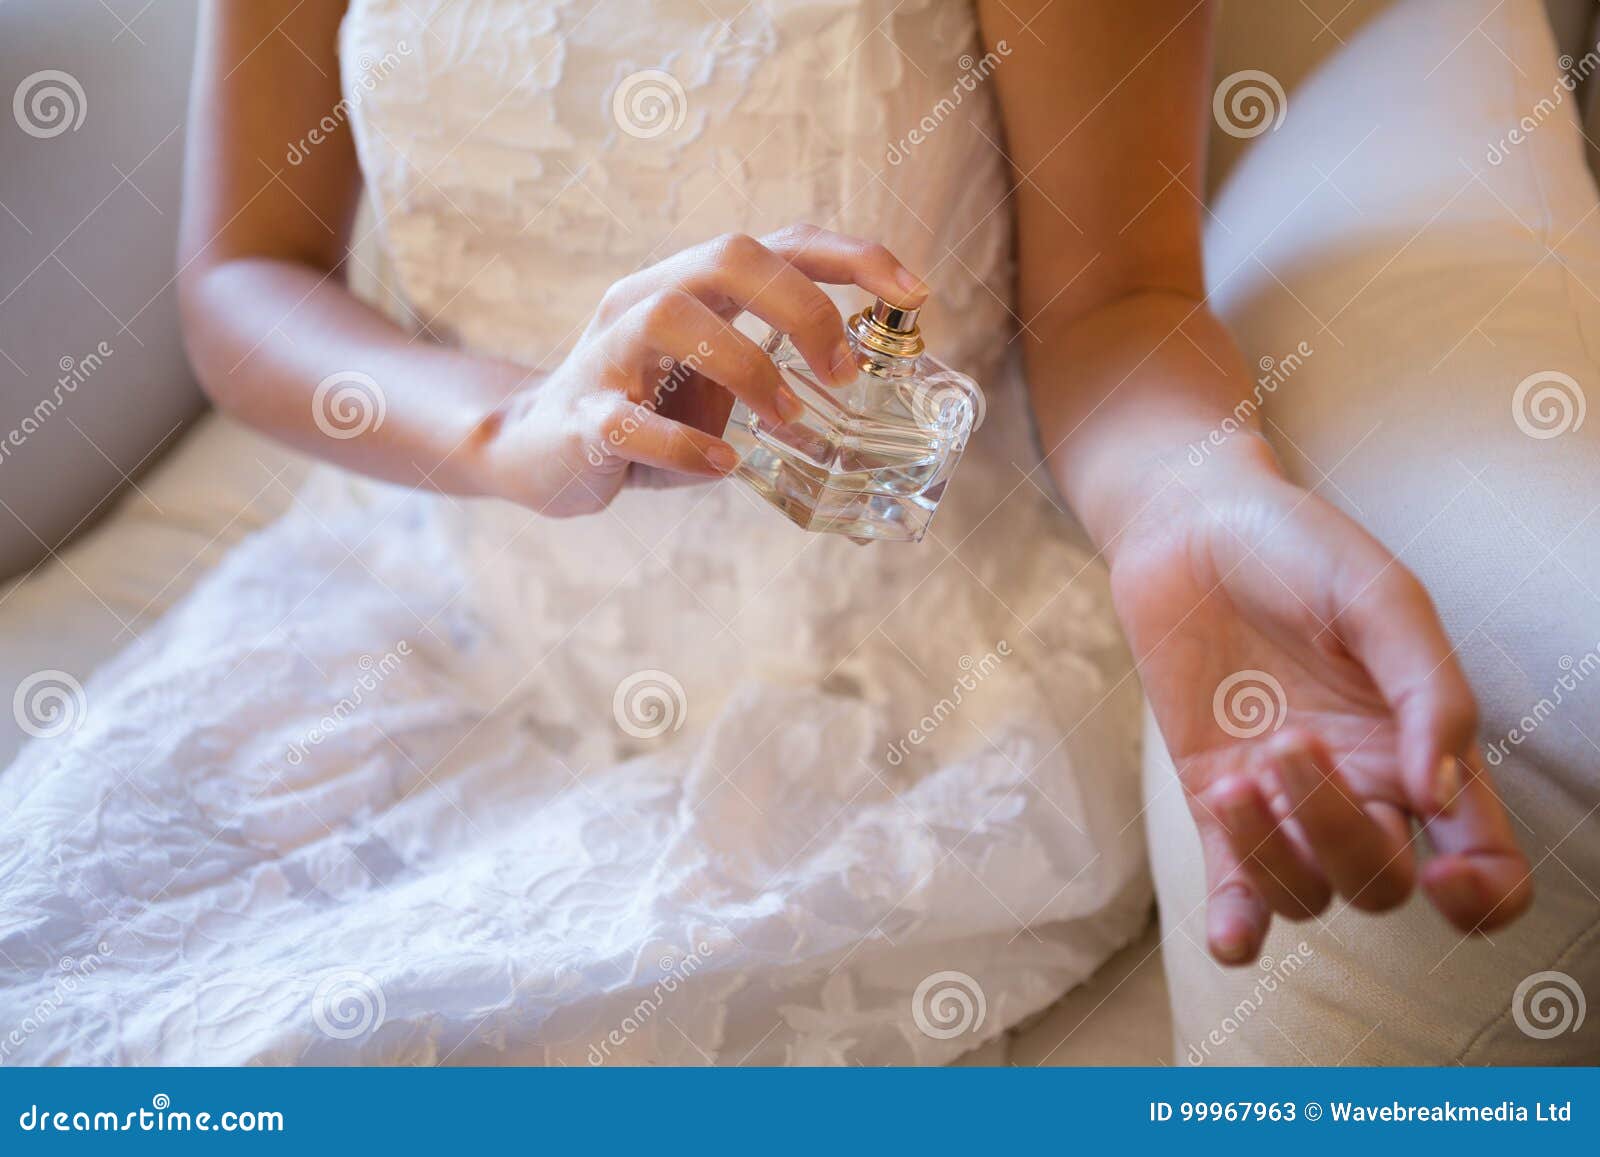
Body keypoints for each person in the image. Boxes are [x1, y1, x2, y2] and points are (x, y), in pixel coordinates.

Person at [0, 0, 1538, 1065]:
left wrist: (1197, 499)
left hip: (879, 699)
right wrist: (504, 426)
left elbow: (1116, 298)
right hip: (428, 604)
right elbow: (247, 272)